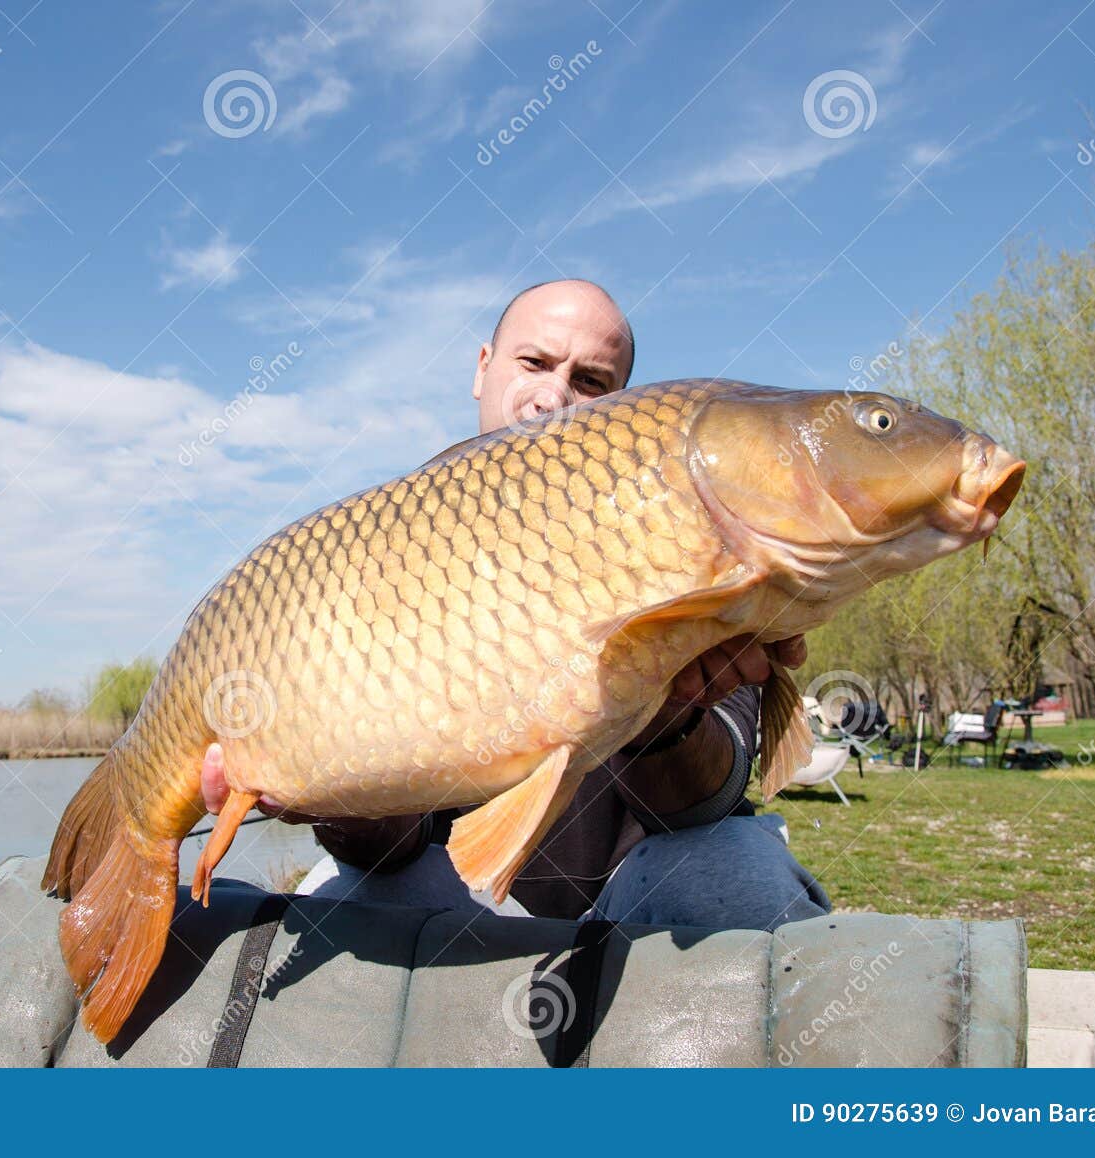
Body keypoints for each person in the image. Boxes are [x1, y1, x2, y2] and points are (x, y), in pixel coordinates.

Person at [203, 279, 830, 930]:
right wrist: (330, 795)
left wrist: (665, 706)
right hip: (456, 900)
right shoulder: (386, 544)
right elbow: (390, 852)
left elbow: (705, 811)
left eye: (591, 381)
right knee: (353, 892)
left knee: (731, 869)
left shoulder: (676, 516)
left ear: (624, 407)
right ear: (483, 368)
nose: (553, 395)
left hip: (630, 903)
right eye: (533, 363)